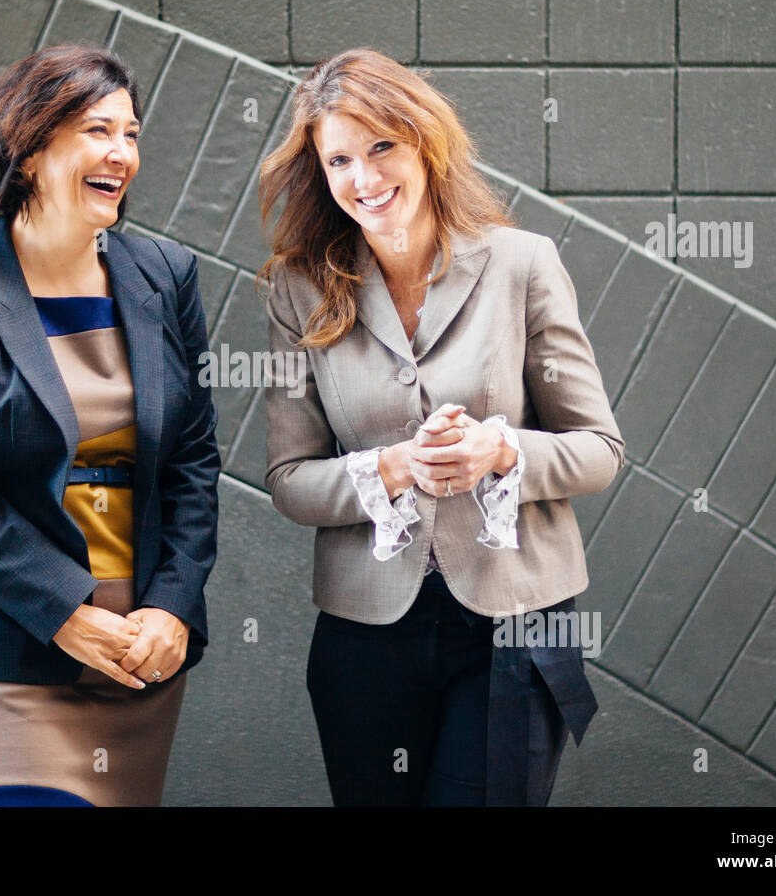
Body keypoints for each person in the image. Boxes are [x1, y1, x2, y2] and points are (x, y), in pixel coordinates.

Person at [258, 47, 626, 806]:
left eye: (381, 146)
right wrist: (390, 468)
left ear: (424, 141)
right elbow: (290, 483)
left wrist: (500, 450)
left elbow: (599, 451)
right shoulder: (297, 288)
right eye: (340, 160)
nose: (364, 178)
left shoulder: (523, 263)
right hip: (367, 637)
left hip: (516, 628)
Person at [0, 43, 220, 806]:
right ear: (32, 147)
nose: (122, 153)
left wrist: (171, 605)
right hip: (6, 659)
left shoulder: (166, 277)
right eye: (98, 131)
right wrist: (63, 611)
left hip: (138, 657)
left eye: (131, 134)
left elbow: (193, 462)